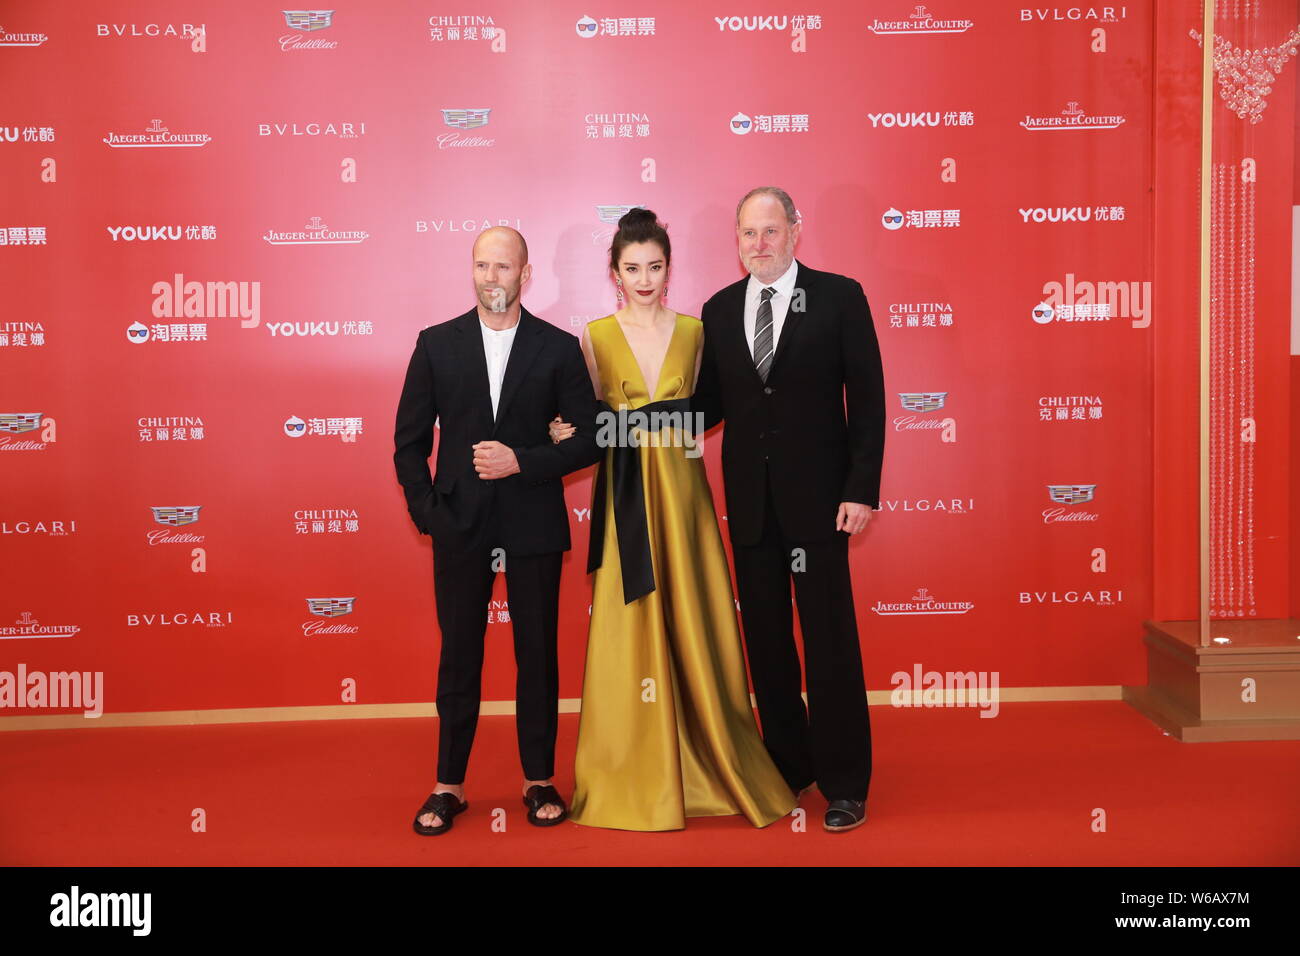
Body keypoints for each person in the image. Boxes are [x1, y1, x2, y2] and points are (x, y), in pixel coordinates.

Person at [549, 208, 796, 832]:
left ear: (669, 268)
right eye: (631, 268)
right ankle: (632, 769)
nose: (644, 279)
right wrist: (563, 431)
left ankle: (712, 758)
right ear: (613, 272)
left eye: (654, 266)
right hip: (629, 498)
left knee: (695, 617)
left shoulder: (695, 331)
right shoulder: (595, 337)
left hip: (684, 497)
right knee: (629, 626)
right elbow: (582, 418)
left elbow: (715, 408)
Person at [394, 226, 602, 835]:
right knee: (460, 655)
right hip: (459, 524)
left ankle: (539, 778)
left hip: (532, 518)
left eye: (504, 267)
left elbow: (591, 438)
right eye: (483, 266)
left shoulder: (559, 348)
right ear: (473, 271)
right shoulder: (436, 345)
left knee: (536, 654)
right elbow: (409, 444)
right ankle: (447, 785)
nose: (492, 278)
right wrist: (430, 514)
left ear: (525, 274)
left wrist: (524, 459)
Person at [693, 186, 886, 832]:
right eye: (748, 233)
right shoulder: (718, 310)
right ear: (738, 239)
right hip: (750, 508)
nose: (759, 244)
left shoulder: (840, 297)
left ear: (796, 231)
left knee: (830, 645)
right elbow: (707, 408)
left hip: (821, 507)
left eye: (771, 231)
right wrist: (629, 420)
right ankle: (787, 765)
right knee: (768, 645)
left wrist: (860, 488)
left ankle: (845, 782)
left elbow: (868, 400)